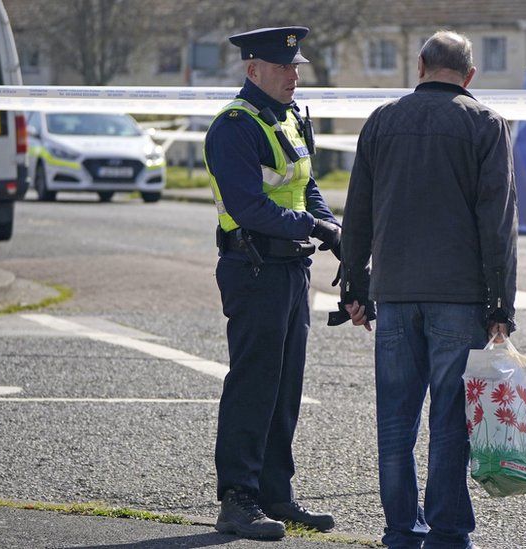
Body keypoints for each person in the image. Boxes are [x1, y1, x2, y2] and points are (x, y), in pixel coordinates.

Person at [337, 30, 518, 549]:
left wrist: (354, 285)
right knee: (449, 422)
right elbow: (498, 222)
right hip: (459, 296)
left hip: (394, 293)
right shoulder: (486, 124)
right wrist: (501, 303)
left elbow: (359, 210)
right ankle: (448, 532)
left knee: (395, 422)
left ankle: (400, 529)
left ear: (419, 66)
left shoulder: (381, 121)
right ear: (470, 74)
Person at [203, 26, 340, 541]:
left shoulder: (289, 116)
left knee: (285, 386)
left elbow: (307, 185)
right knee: (254, 384)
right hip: (254, 267)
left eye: (295, 66)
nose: (293, 75)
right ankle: (237, 499)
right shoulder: (235, 126)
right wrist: (316, 227)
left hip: (291, 269)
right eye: (283, 67)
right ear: (253, 69)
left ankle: (275, 493)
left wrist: (335, 228)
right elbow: (249, 207)